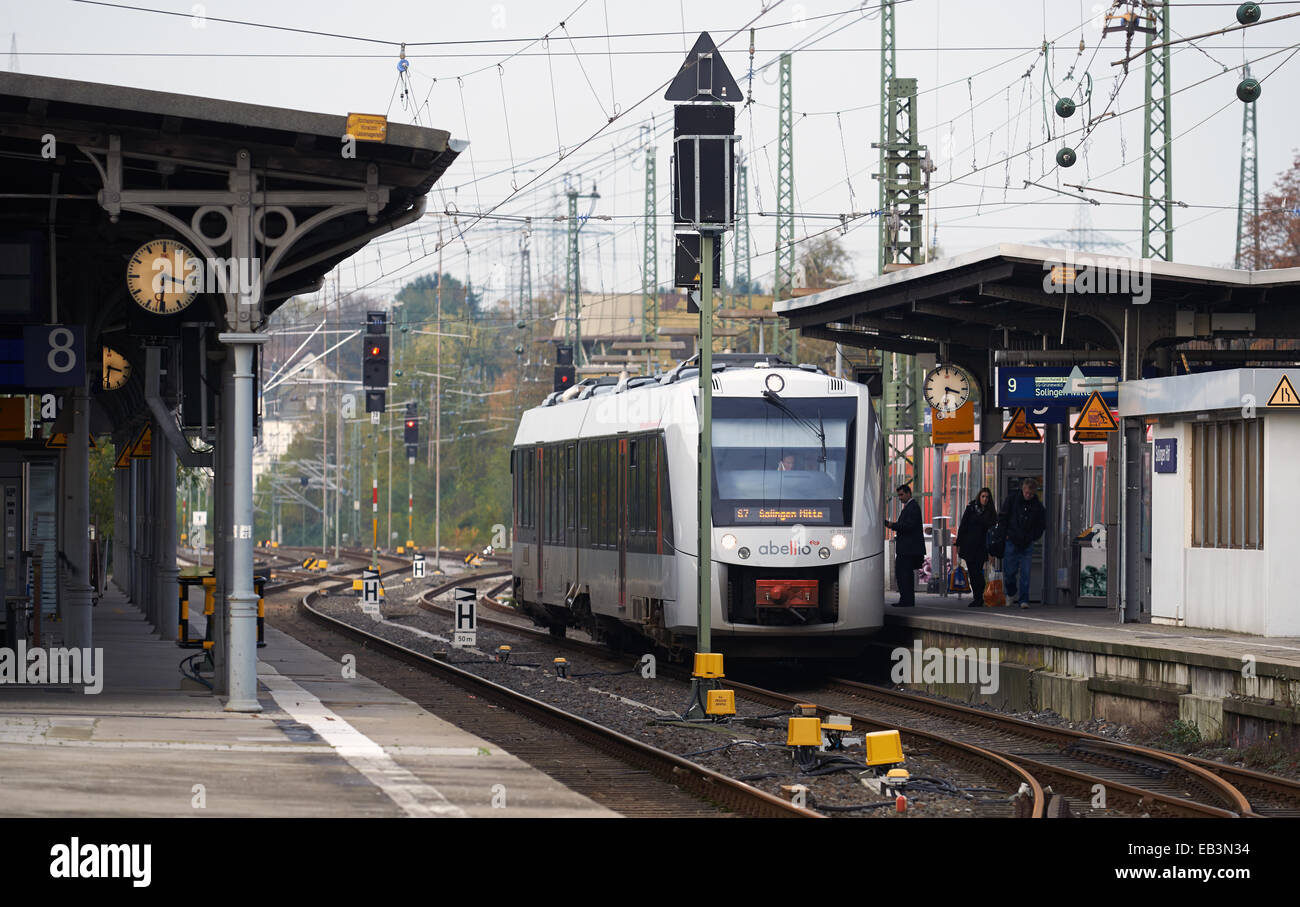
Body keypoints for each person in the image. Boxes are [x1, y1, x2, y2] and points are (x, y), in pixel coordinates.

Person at [999, 477, 1046, 609]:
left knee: (1026, 573)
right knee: (1009, 572)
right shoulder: (1012, 500)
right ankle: (1011, 592)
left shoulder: (1037, 506)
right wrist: (1006, 534)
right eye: (1026, 493)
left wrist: (1033, 537)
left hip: (1027, 543)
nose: (1028, 496)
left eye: (1031, 494)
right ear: (1023, 489)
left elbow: (1041, 525)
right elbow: (1002, 517)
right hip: (1011, 540)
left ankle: (1023, 599)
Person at [955, 487, 997, 608]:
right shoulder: (971, 509)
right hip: (969, 545)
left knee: (977, 572)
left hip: (982, 547)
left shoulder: (990, 512)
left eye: (987, 497)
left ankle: (979, 596)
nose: (985, 499)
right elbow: (963, 526)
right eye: (983, 496)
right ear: (979, 497)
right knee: (973, 573)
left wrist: (992, 550)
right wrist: (958, 543)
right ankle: (977, 597)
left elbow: (992, 530)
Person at [884, 483, 924, 607]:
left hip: (908, 549)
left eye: (901, 495)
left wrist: (892, 525)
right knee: (903, 574)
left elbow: (909, 526)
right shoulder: (910, 507)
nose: (900, 498)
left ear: (908, 493)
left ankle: (906, 600)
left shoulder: (913, 507)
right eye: (898, 495)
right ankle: (906, 599)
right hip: (906, 549)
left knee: (904, 574)